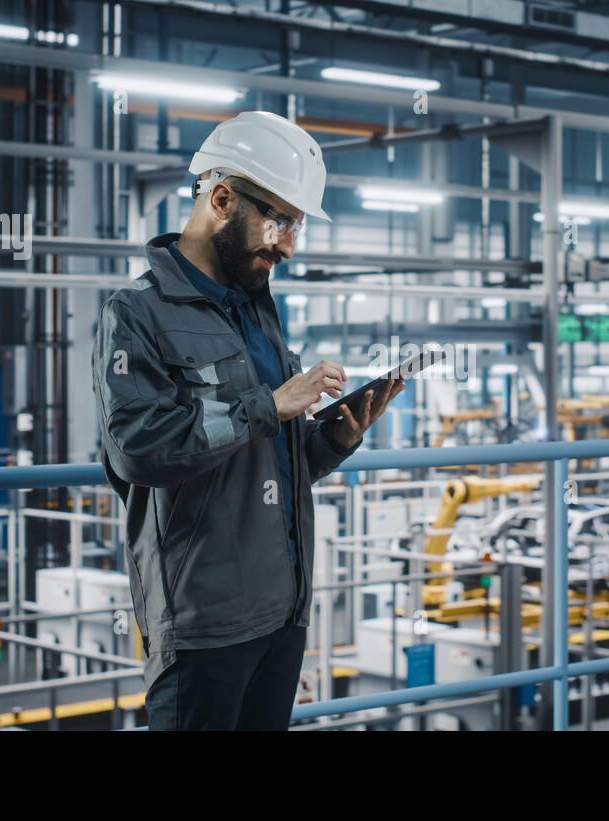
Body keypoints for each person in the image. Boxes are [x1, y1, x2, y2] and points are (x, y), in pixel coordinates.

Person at [92, 111, 403, 730]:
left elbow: (267, 460)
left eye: (298, 226)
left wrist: (334, 438)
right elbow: (138, 450)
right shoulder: (136, 315)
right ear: (222, 197)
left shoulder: (258, 315)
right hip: (204, 623)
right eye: (279, 219)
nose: (287, 244)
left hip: (283, 612)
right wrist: (269, 405)